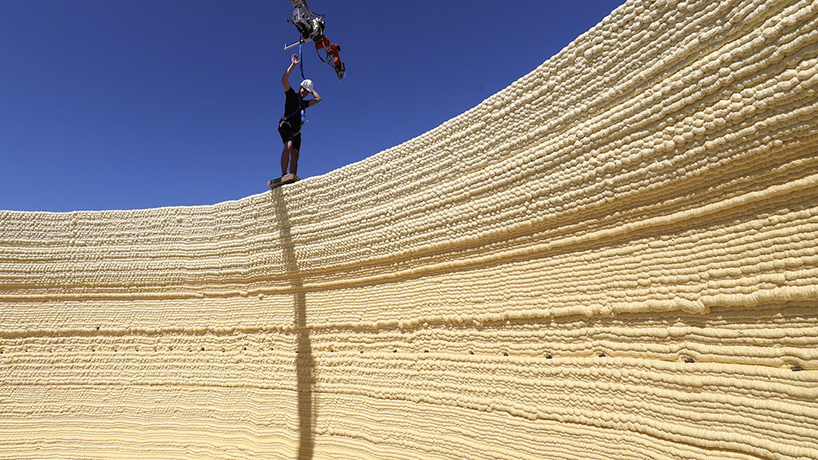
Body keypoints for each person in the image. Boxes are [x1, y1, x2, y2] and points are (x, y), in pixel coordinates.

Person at [278, 53, 322, 179]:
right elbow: (284, 80)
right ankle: (284, 175)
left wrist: (311, 89)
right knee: (288, 146)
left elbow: (318, 99)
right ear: (300, 87)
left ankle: (292, 177)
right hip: (286, 125)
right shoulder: (291, 95)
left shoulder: (303, 103)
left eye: (307, 92)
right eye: (303, 89)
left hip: (296, 131)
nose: (304, 93)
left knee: (296, 154)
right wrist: (292, 65)